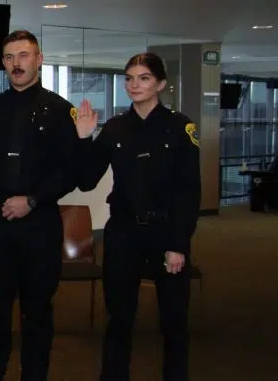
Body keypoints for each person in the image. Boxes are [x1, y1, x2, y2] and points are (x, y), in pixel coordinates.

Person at [74, 52, 200, 381]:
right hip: (124, 232)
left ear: (160, 84)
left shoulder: (180, 127)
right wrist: (84, 138)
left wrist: (178, 244)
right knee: (119, 318)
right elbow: (87, 181)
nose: (134, 85)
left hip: (166, 231)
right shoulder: (116, 128)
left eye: (143, 78)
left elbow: (188, 191)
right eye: (129, 78)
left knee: (173, 321)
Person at [0, 30, 80, 381]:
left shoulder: (60, 111)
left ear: (39, 58)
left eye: (23, 55)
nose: (16, 64)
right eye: (9, 57)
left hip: (39, 224)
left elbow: (70, 173)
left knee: (37, 313)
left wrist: (32, 200)